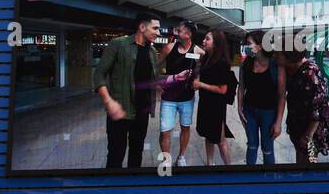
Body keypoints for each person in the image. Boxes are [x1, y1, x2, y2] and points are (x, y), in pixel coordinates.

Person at [93, 13, 164, 169]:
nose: (158, 33)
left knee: (136, 152)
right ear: (142, 27)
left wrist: (174, 79)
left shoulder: (152, 52)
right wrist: (108, 101)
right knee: (115, 154)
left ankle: (133, 186)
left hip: (142, 111)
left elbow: (153, 79)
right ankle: (111, 190)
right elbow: (99, 74)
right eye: (155, 28)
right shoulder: (118, 44)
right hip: (120, 110)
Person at [158, 20, 203, 168]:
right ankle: (166, 160)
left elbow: (203, 69)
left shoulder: (198, 51)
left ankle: (181, 156)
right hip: (168, 98)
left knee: (185, 127)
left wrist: (197, 79)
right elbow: (155, 67)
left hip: (187, 98)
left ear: (189, 34)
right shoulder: (168, 48)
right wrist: (159, 83)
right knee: (165, 130)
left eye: (180, 29)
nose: (177, 31)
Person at [279, 49, 329, 164]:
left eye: (278, 54)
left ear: (290, 56)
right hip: (298, 124)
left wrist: (307, 136)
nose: (275, 57)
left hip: (310, 129)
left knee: (310, 160)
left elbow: (318, 108)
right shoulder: (293, 69)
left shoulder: (310, 73)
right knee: (301, 157)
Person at [237, 31, 285, 166]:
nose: (246, 47)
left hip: (269, 113)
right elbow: (241, 88)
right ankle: (250, 178)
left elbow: (282, 96)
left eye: (249, 44)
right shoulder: (246, 63)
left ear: (261, 45)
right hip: (249, 111)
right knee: (251, 145)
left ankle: (269, 180)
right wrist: (239, 109)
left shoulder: (276, 65)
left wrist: (279, 122)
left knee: (267, 148)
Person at [192, 30, 237, 166]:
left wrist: (200, 84)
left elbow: (222, 89)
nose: (203, 41)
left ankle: (229, 168)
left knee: (220, 139)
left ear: (216, 44)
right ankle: (209, 164)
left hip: (216, 106)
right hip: (205, 103)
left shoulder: (222, 63)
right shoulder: (206, 59)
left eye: (207, 39)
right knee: (208, 135)